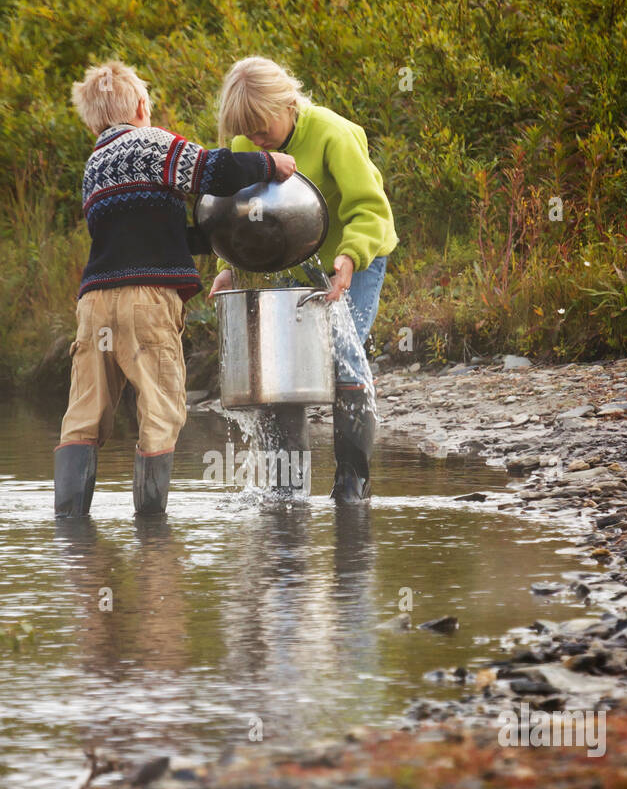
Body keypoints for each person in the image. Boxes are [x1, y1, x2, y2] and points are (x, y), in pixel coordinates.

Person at [55, 59, 295, 517]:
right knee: (161, 410)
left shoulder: (94, 166)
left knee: (85, 413)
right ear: (142, 105)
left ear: (92, 119)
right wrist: (268, 163)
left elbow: (149, 235)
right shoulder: (154, 144)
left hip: (94, 303)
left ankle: (70, 529)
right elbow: (213, 170)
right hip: (148, 301)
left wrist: (210, 242)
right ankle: (151, 533)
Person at [210, 57, 398, 502]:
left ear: (287, 102)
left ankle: (352, 488)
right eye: (247, 132)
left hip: (355, 259)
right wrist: (227, 270)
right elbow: (236, 222)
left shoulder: (335, 133)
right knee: (278, 371)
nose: (255, 140)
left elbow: (369, 209)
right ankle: (286, 491)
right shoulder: (244, 146)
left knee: (342, 361)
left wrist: (350, 258)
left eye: (262, 130)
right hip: (289, 264)